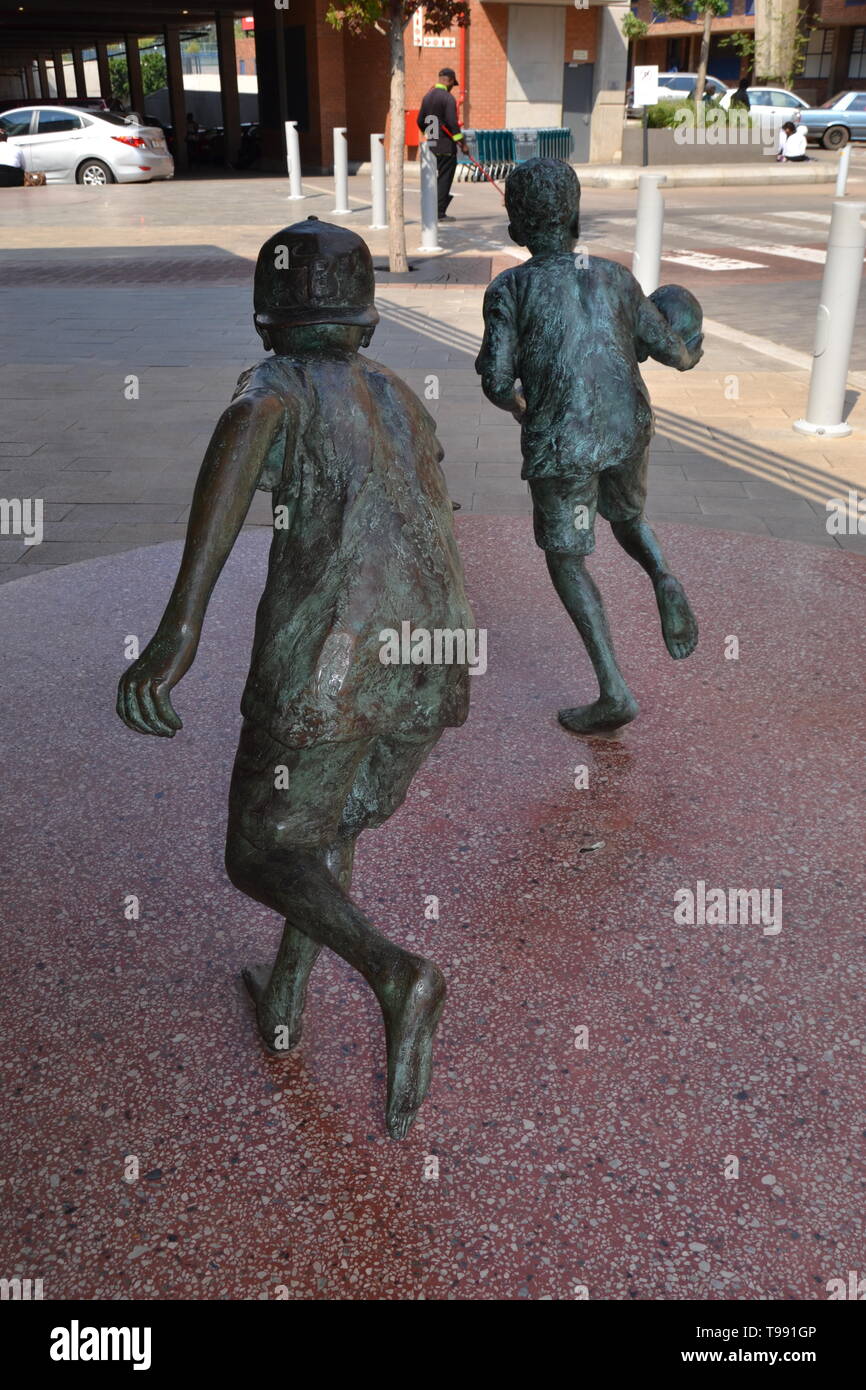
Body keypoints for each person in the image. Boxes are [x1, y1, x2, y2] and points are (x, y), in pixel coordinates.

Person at [116, 218, 473, 1140]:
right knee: (327, 827)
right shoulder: (398, 392)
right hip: (432, 662)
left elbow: (244, 439)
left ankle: (397, 973)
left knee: (258, 854)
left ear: (266, 320)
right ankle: (283, 1001)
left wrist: (179, 627)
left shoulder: (274, 386)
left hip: (334, 665)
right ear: (368, 320)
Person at [475, 158, 702, 735]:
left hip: (563, 442)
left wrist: (526, 407)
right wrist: (692, 343)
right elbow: (674, 351)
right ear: (574, 216)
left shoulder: (510, 287)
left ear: (515, 225)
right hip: (628, 428)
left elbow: (498, 383)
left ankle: (613, 690)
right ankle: (662, 575)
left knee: (567, 557)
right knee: (627, 517)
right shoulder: (616, 277)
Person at [417, 67, 465, 221]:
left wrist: (430, 133)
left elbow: (419, 121)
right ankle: (439, 213)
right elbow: (452, 122)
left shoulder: (427, 97)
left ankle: (430, 210)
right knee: (444, 179)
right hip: (445, 146)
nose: (452, 87)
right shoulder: (447, 98)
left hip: (431, 145)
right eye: (453, 83)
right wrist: (461, 143)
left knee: (432, 180)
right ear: (450, 80)